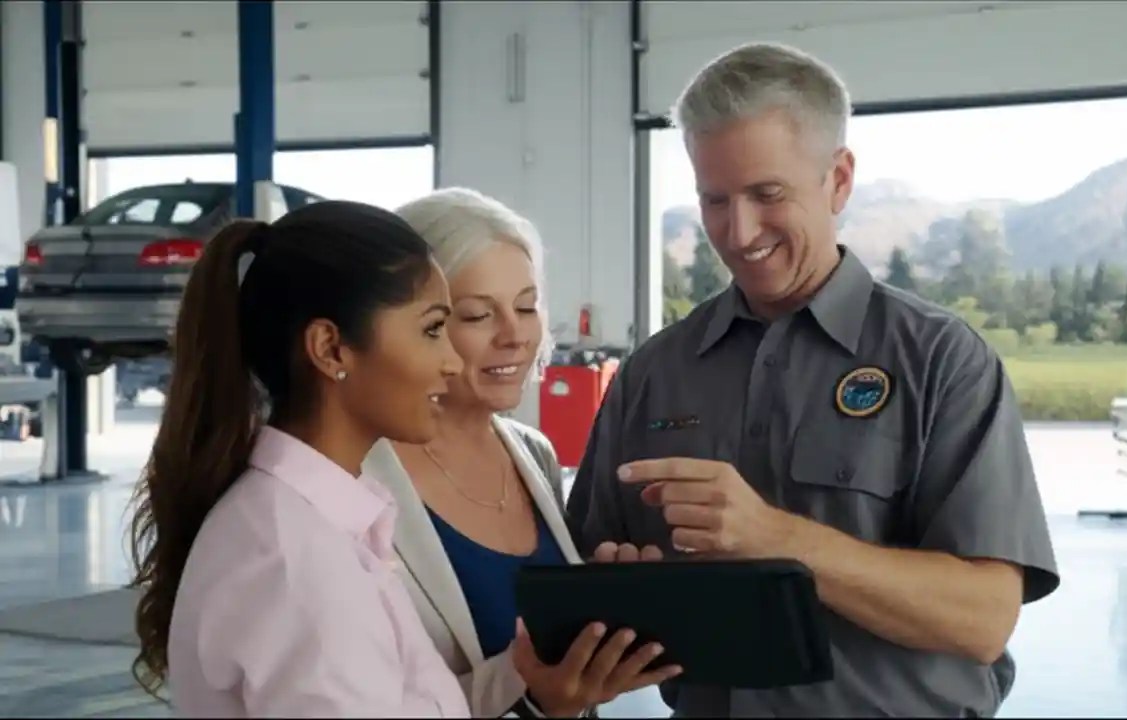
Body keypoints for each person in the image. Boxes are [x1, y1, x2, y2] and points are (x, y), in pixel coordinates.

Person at [565, 42, 1061, 718]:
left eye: (767, 195)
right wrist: (617, 593)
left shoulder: (941, 360)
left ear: (839, 179)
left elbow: (982, 620)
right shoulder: (656, 371)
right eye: (715, 199)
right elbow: (586, 577)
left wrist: (774, 537)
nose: (738, 233)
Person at [125, 200, 624, 718]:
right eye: (434, 329)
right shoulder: (293, 558)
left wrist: (534, 682)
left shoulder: (333, 520)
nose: (450, 361)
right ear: (331, 349)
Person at [363, 188, 679, 718]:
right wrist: (535, 698)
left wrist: (606, 611)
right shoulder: (357, 481)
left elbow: (555, 660)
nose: (515, 336)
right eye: (477, 315)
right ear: (415, 326)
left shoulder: (534, 455)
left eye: (527, 307)